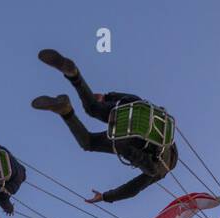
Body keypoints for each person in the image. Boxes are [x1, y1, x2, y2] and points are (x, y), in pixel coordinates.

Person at [31, 49, 178, 204]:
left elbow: (136, 99)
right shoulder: (162, 170)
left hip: (134, 112)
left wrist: (108, 96)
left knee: (92, 108)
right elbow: (132, 189)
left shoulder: (163, 130)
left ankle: (74, 75)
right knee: (89, 143)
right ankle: (65, 110)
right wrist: (106, 197)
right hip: (128, 142)